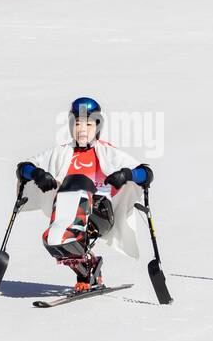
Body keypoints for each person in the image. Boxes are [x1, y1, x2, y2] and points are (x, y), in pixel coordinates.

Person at [16, 97, 154, 291]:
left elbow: (147, 174)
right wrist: (37, 173)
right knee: (56, 242)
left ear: (97, 126)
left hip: (100, 214)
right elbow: (23, 168)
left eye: (88, 124)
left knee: (78, 184)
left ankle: (81, 259)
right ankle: (87, 268)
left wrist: (127, 174)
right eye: (78, 123)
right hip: (66, 213)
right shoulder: (62, 153)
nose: (82, 129)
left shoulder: (107, 152)